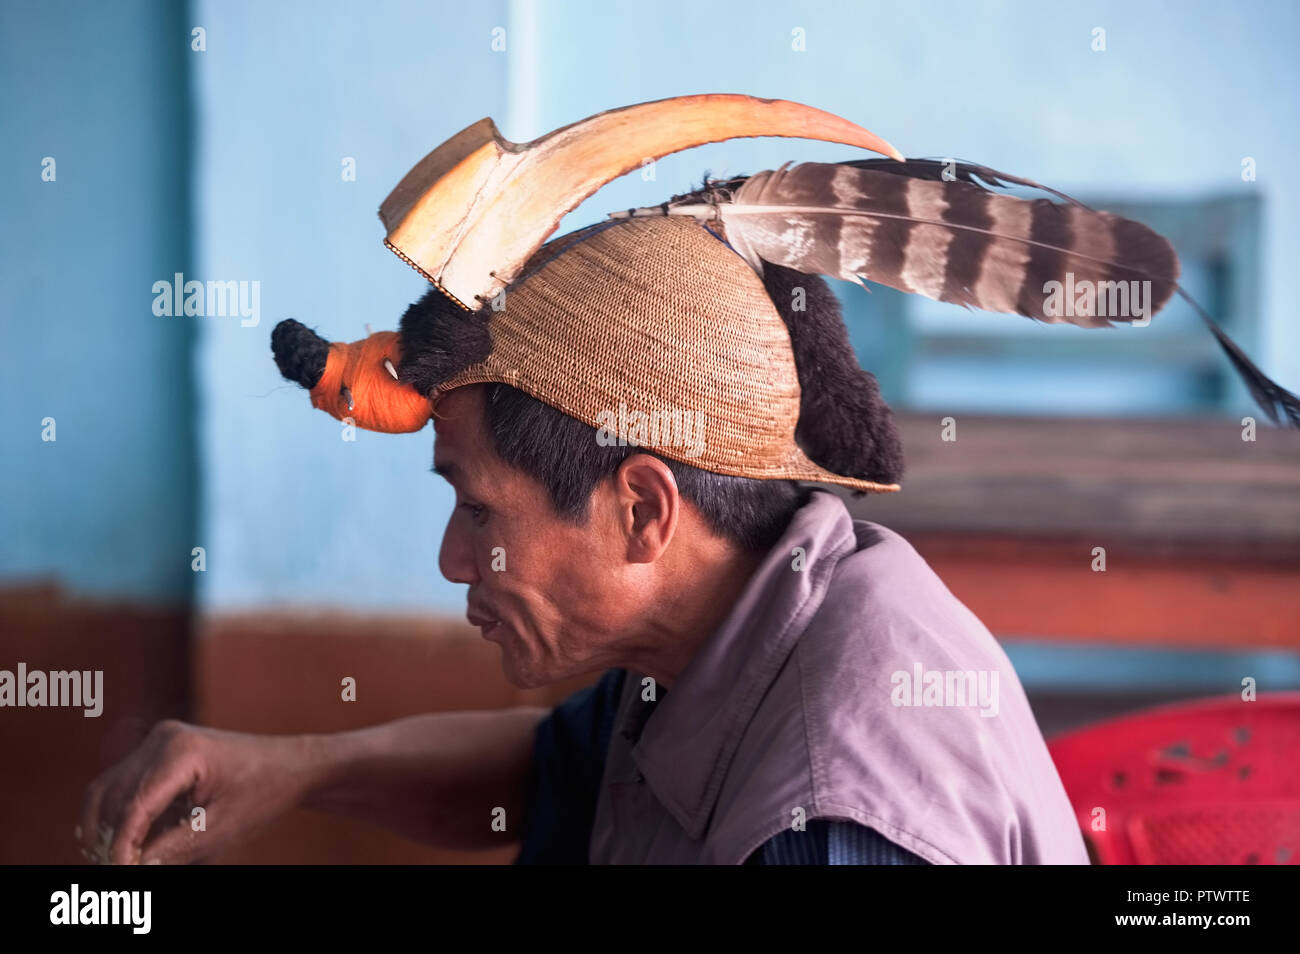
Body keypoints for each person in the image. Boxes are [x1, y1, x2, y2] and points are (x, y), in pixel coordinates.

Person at [81, 94, 1098, 864]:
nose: (450, 561)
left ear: (644, 510)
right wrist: (289, 769)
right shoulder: (741, 614)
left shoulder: (824, 818)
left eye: (477, 509)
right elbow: (560, 770)